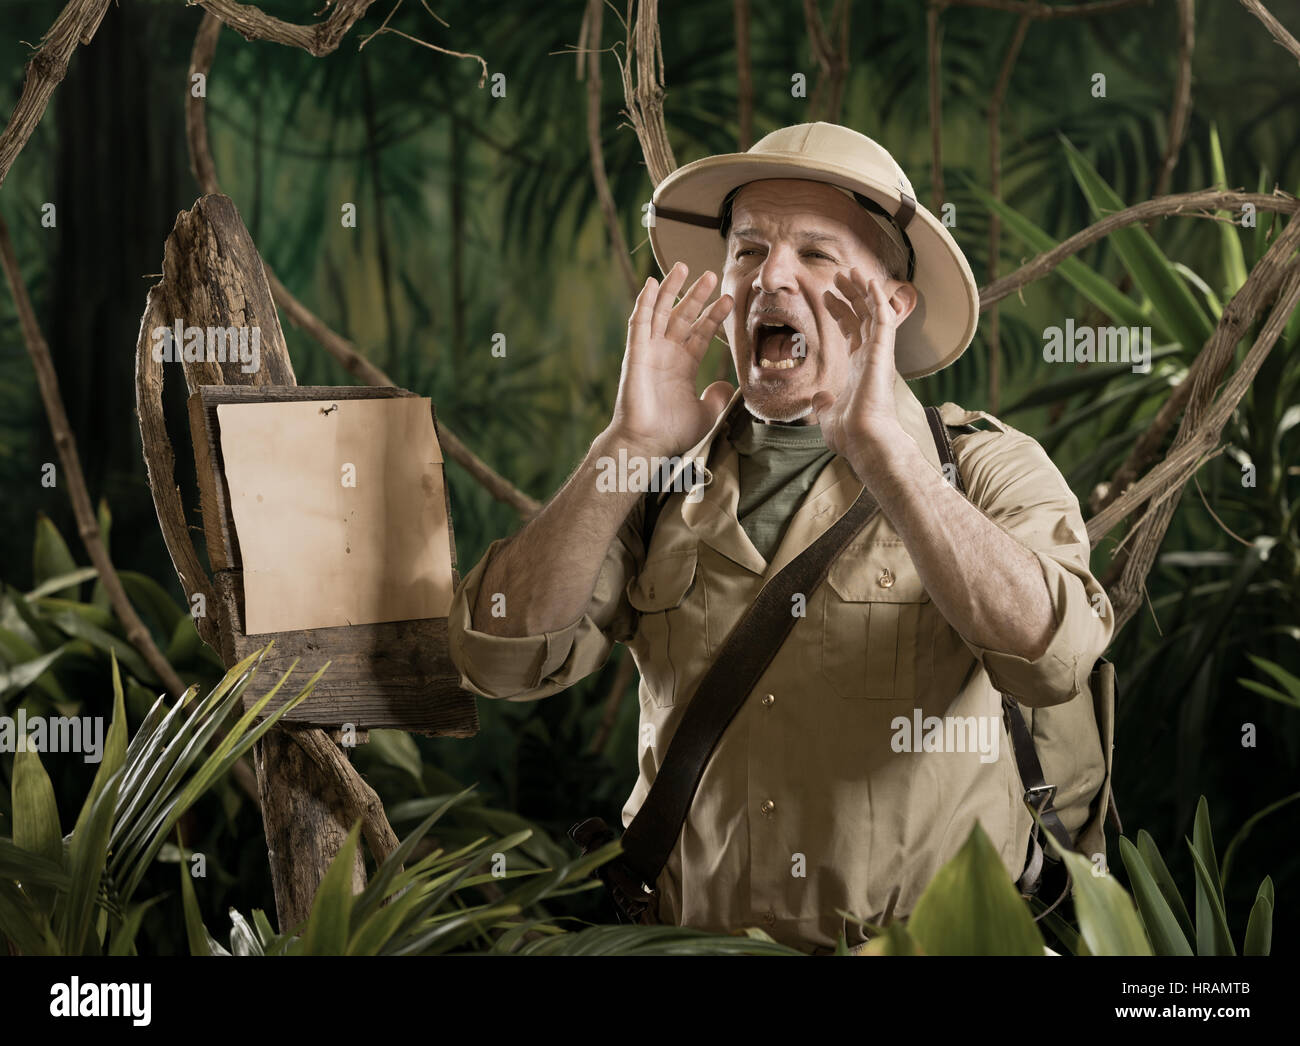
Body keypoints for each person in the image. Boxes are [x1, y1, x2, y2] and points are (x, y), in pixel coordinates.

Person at [447, 122, 1112, 953]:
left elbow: (1053, 659)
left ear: (894, 303)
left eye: (818, 254)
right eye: (749, 250)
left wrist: (891, 464)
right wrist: (625, 445)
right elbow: (500, 655)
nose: (772, 276)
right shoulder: (657, 482)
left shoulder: (985, 468)